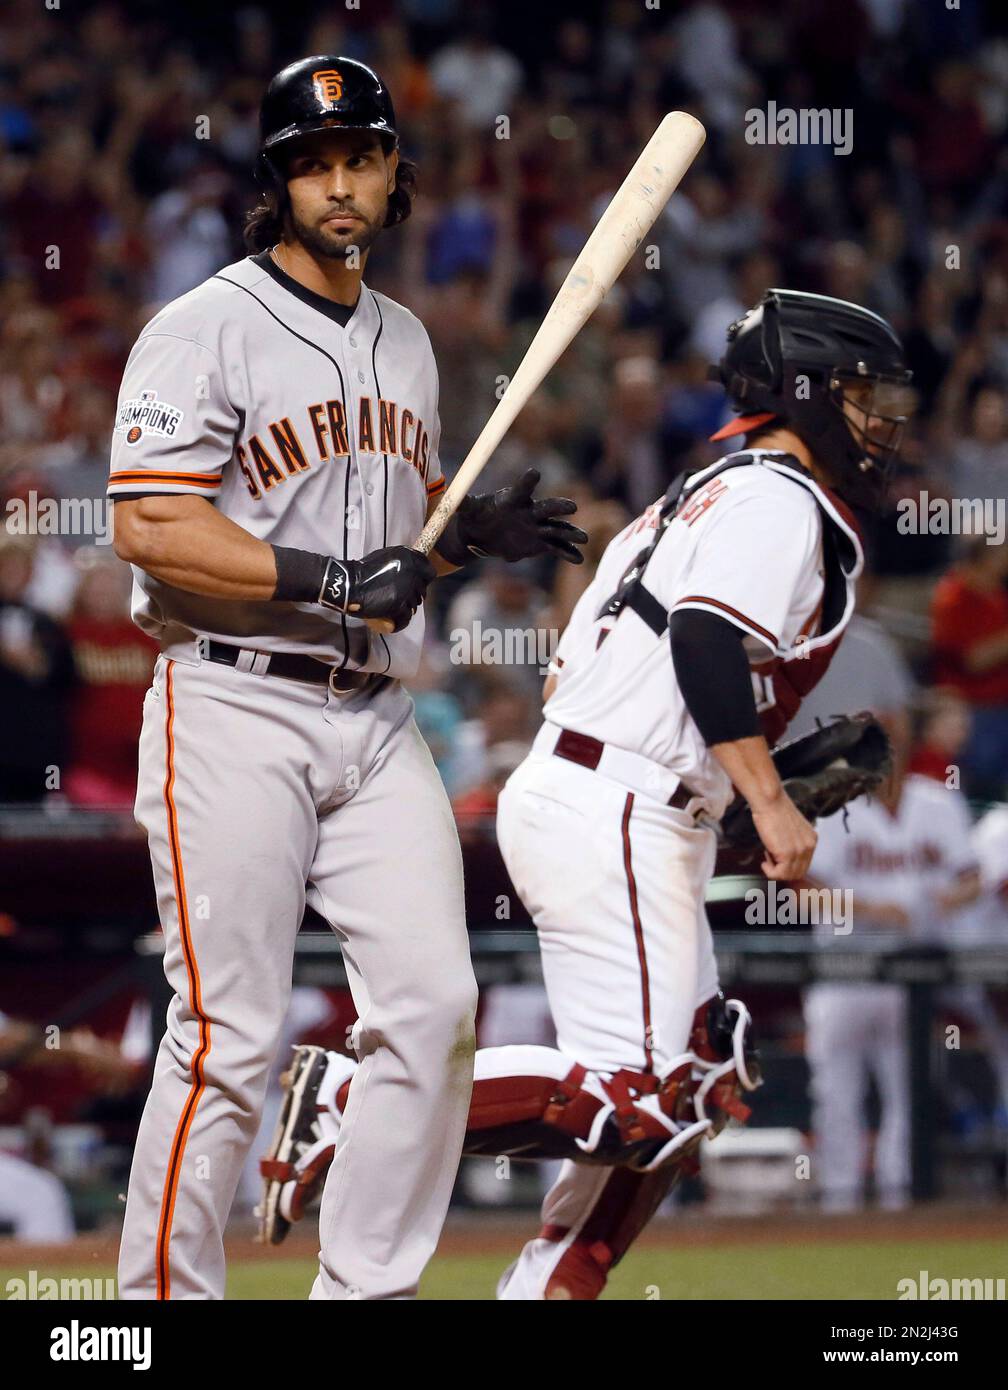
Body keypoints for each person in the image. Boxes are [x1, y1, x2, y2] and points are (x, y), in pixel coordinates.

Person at [260, 288, 913, 1297]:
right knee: (644, 1099)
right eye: (864, 395)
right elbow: (700, 639)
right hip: (615, 804)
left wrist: (753, 791)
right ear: (806, 391)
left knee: (680, 1101)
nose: (882, 420)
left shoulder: (710, 493)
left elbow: (670, 686)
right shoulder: (780, 499)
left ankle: (544, 1288)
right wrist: (770, 802)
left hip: (616, 795)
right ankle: (354, 1101)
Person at [109, 55, 585, 1302]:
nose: (338, 182)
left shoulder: (409, 341)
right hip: (233, 699)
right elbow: (152, 525)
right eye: (312, 162)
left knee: (432, 1011)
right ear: (277, 181)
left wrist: (458, 523)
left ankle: (364, 1292)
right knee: (230, 1041)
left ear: (391, 174)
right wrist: (329, 578)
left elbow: (383, 511)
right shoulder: (202, 324)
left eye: (360, 158)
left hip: (374, 719)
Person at [804, 709, 980, 1210]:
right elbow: (800, 892)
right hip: (844, 970)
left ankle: (900, 1198)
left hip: (913, 973)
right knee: (836, 1092)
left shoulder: (937, 802)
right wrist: (870, 908)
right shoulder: (832, 804)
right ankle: (840, 1197)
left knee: (910, 1090)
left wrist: (948, 898)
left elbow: (972, 877)